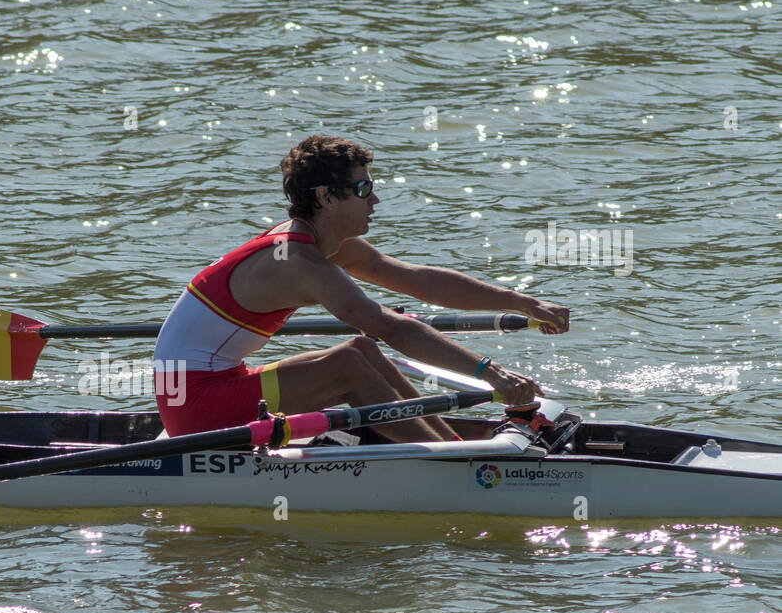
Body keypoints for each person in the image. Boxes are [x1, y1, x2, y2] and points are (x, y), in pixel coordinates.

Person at [152, 134, 570, 442]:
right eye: (363, 189)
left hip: (216, 381)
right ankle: (458, 467)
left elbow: (415, 278)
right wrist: (493, 374)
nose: (375, 200)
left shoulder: (319, 241)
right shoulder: (299, 261)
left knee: (359, 352)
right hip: (196, 409)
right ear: (326, 198)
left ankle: (452, 448)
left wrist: (523, 300)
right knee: (350, 367)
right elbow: (394, 327)